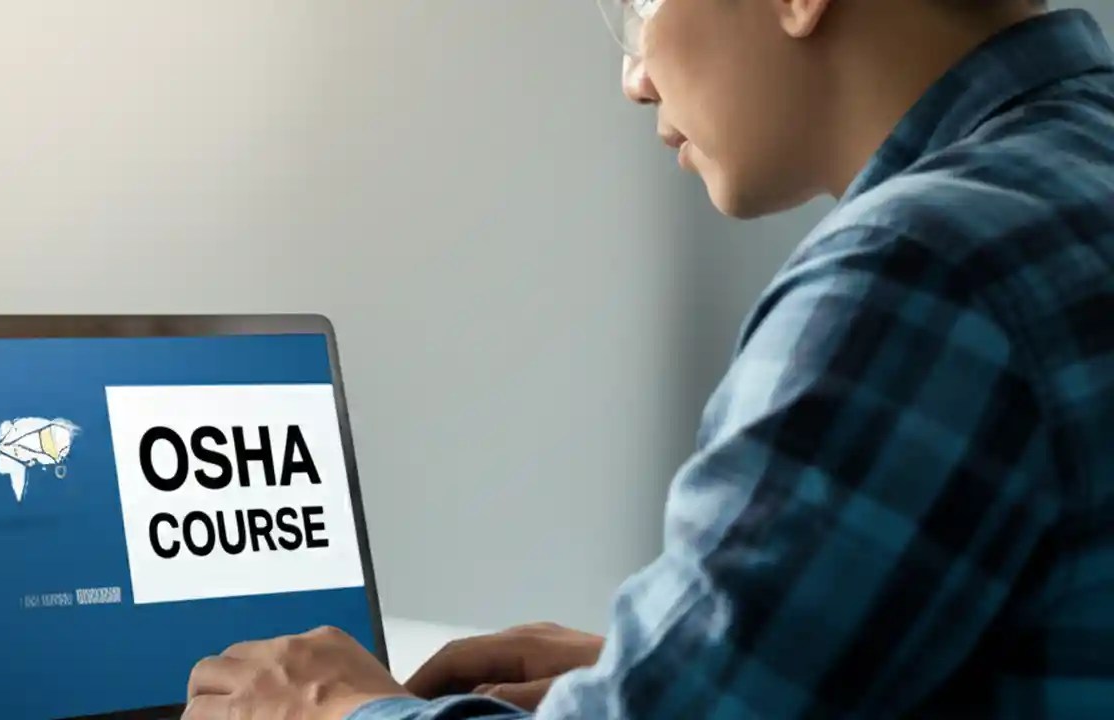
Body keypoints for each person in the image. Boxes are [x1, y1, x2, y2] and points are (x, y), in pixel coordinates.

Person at [181, 0, 1114, 717]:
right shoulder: (1077, 169)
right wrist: (666, 672)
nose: (634, 77)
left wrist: (333, 706)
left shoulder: (918, 270)